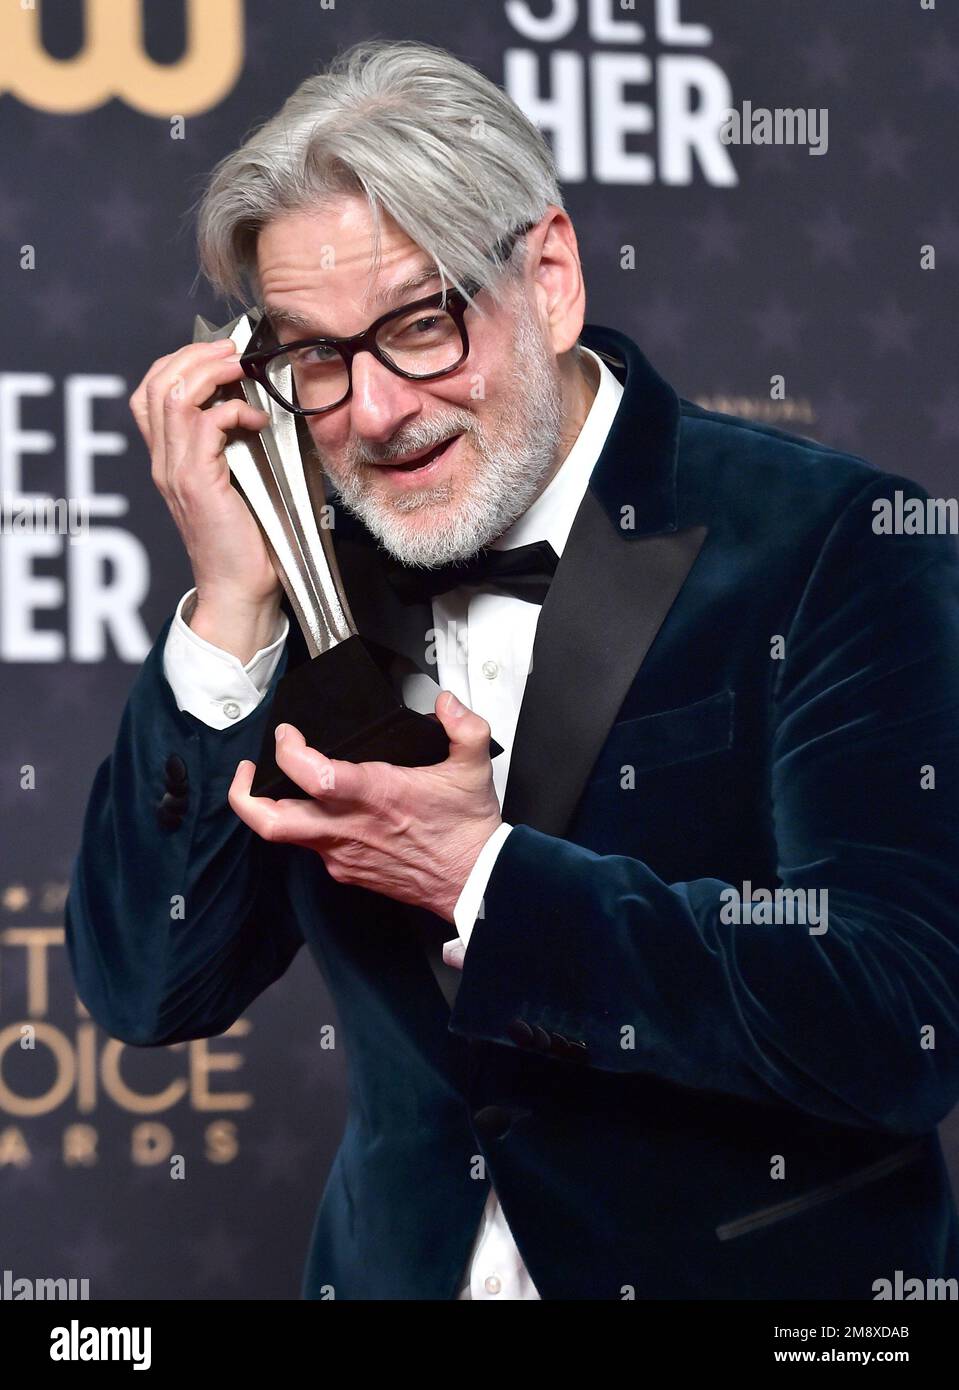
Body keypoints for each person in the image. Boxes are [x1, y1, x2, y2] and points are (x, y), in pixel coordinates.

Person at [66, 38, 959, 1301]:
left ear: (545, 278)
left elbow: (896, 1018)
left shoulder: (831, 545)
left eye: (421, 325)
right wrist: (229, 607)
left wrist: (479, 878)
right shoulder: (312, 573)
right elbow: (151, 990)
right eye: (315, 358)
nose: (374, 412)